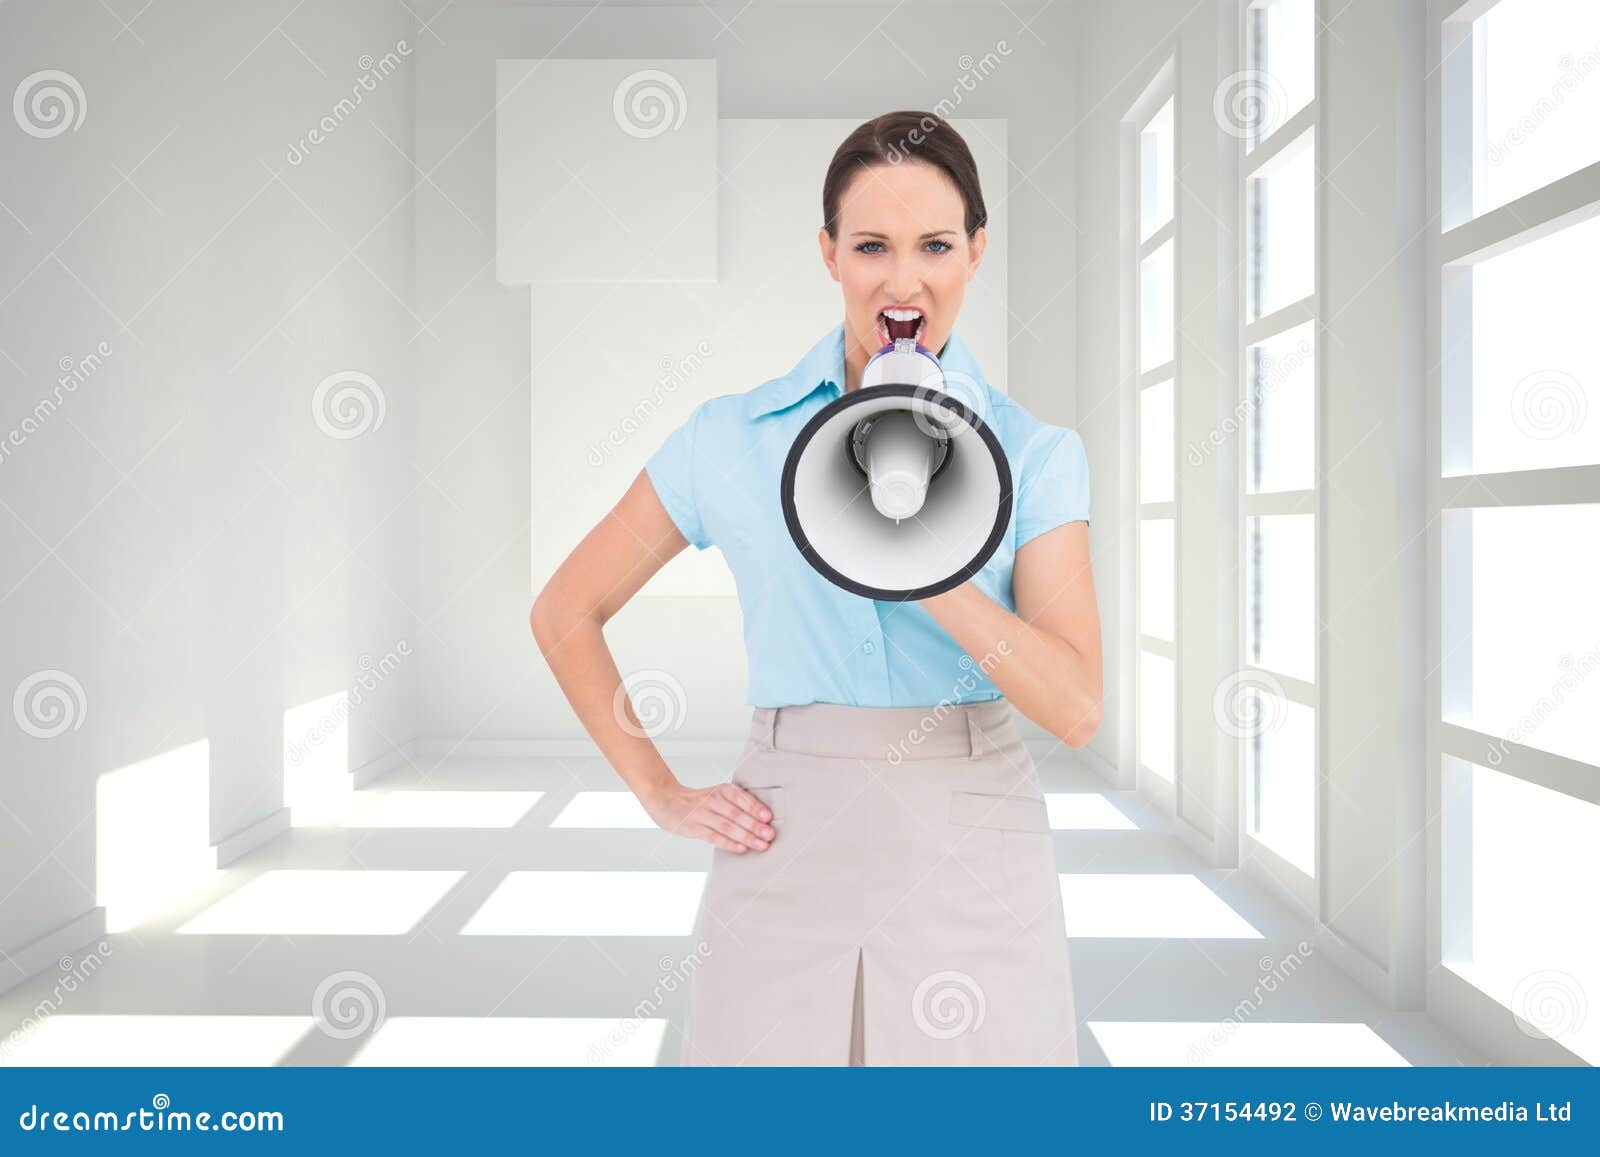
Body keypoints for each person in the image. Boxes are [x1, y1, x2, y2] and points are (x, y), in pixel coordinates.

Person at [529, 109, 1103, 1066]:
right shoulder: (729, 437)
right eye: (872, 244)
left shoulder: (1036, 455)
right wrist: (658, 790)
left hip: (974, 838)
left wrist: (928, 569)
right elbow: (565, 610)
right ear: (830, 253)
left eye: (935, 244)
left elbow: (1076, 706)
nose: (903, 277)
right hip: (783, 831)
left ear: (976, 254)